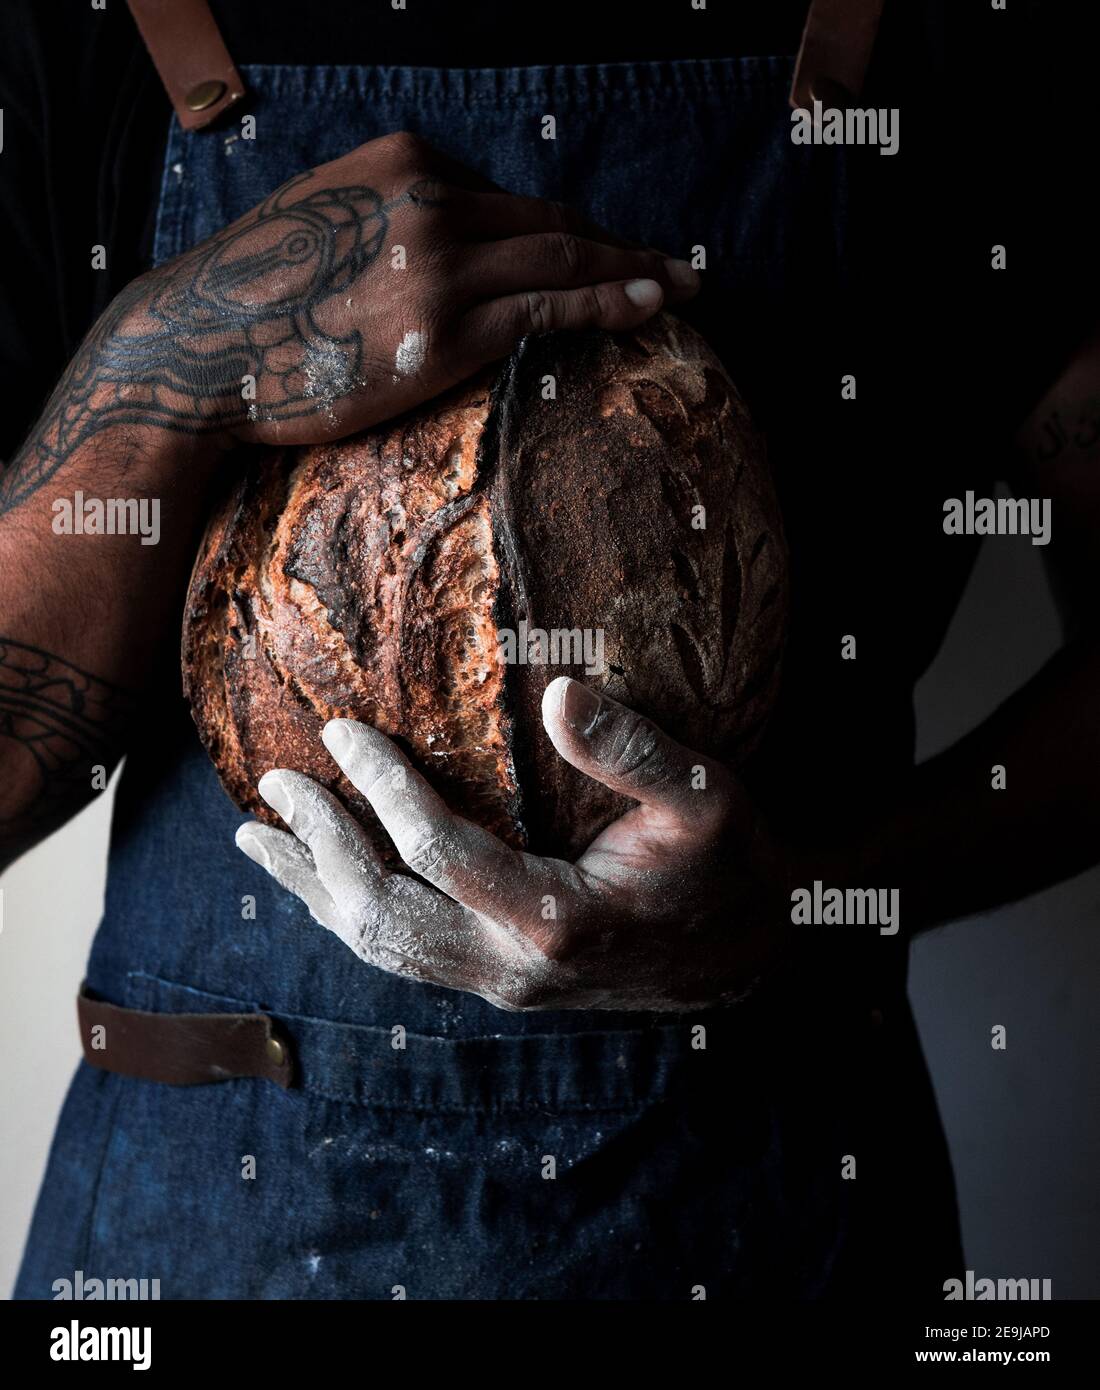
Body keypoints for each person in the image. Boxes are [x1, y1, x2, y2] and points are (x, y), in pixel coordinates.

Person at [1, 0, 1096, 1299]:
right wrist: (162, 367)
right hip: (210, 1229)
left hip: (762, 1212)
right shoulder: (83, 35)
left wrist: (804, 897)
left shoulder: (967, 34)